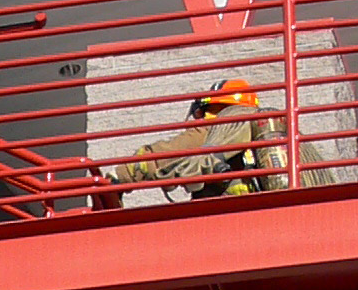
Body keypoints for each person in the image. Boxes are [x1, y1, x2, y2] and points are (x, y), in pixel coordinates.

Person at [112, 74, 283, 201]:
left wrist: (119, 178)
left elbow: (161, 157)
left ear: (213, 107)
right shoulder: (264, 129)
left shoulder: (214, 127)